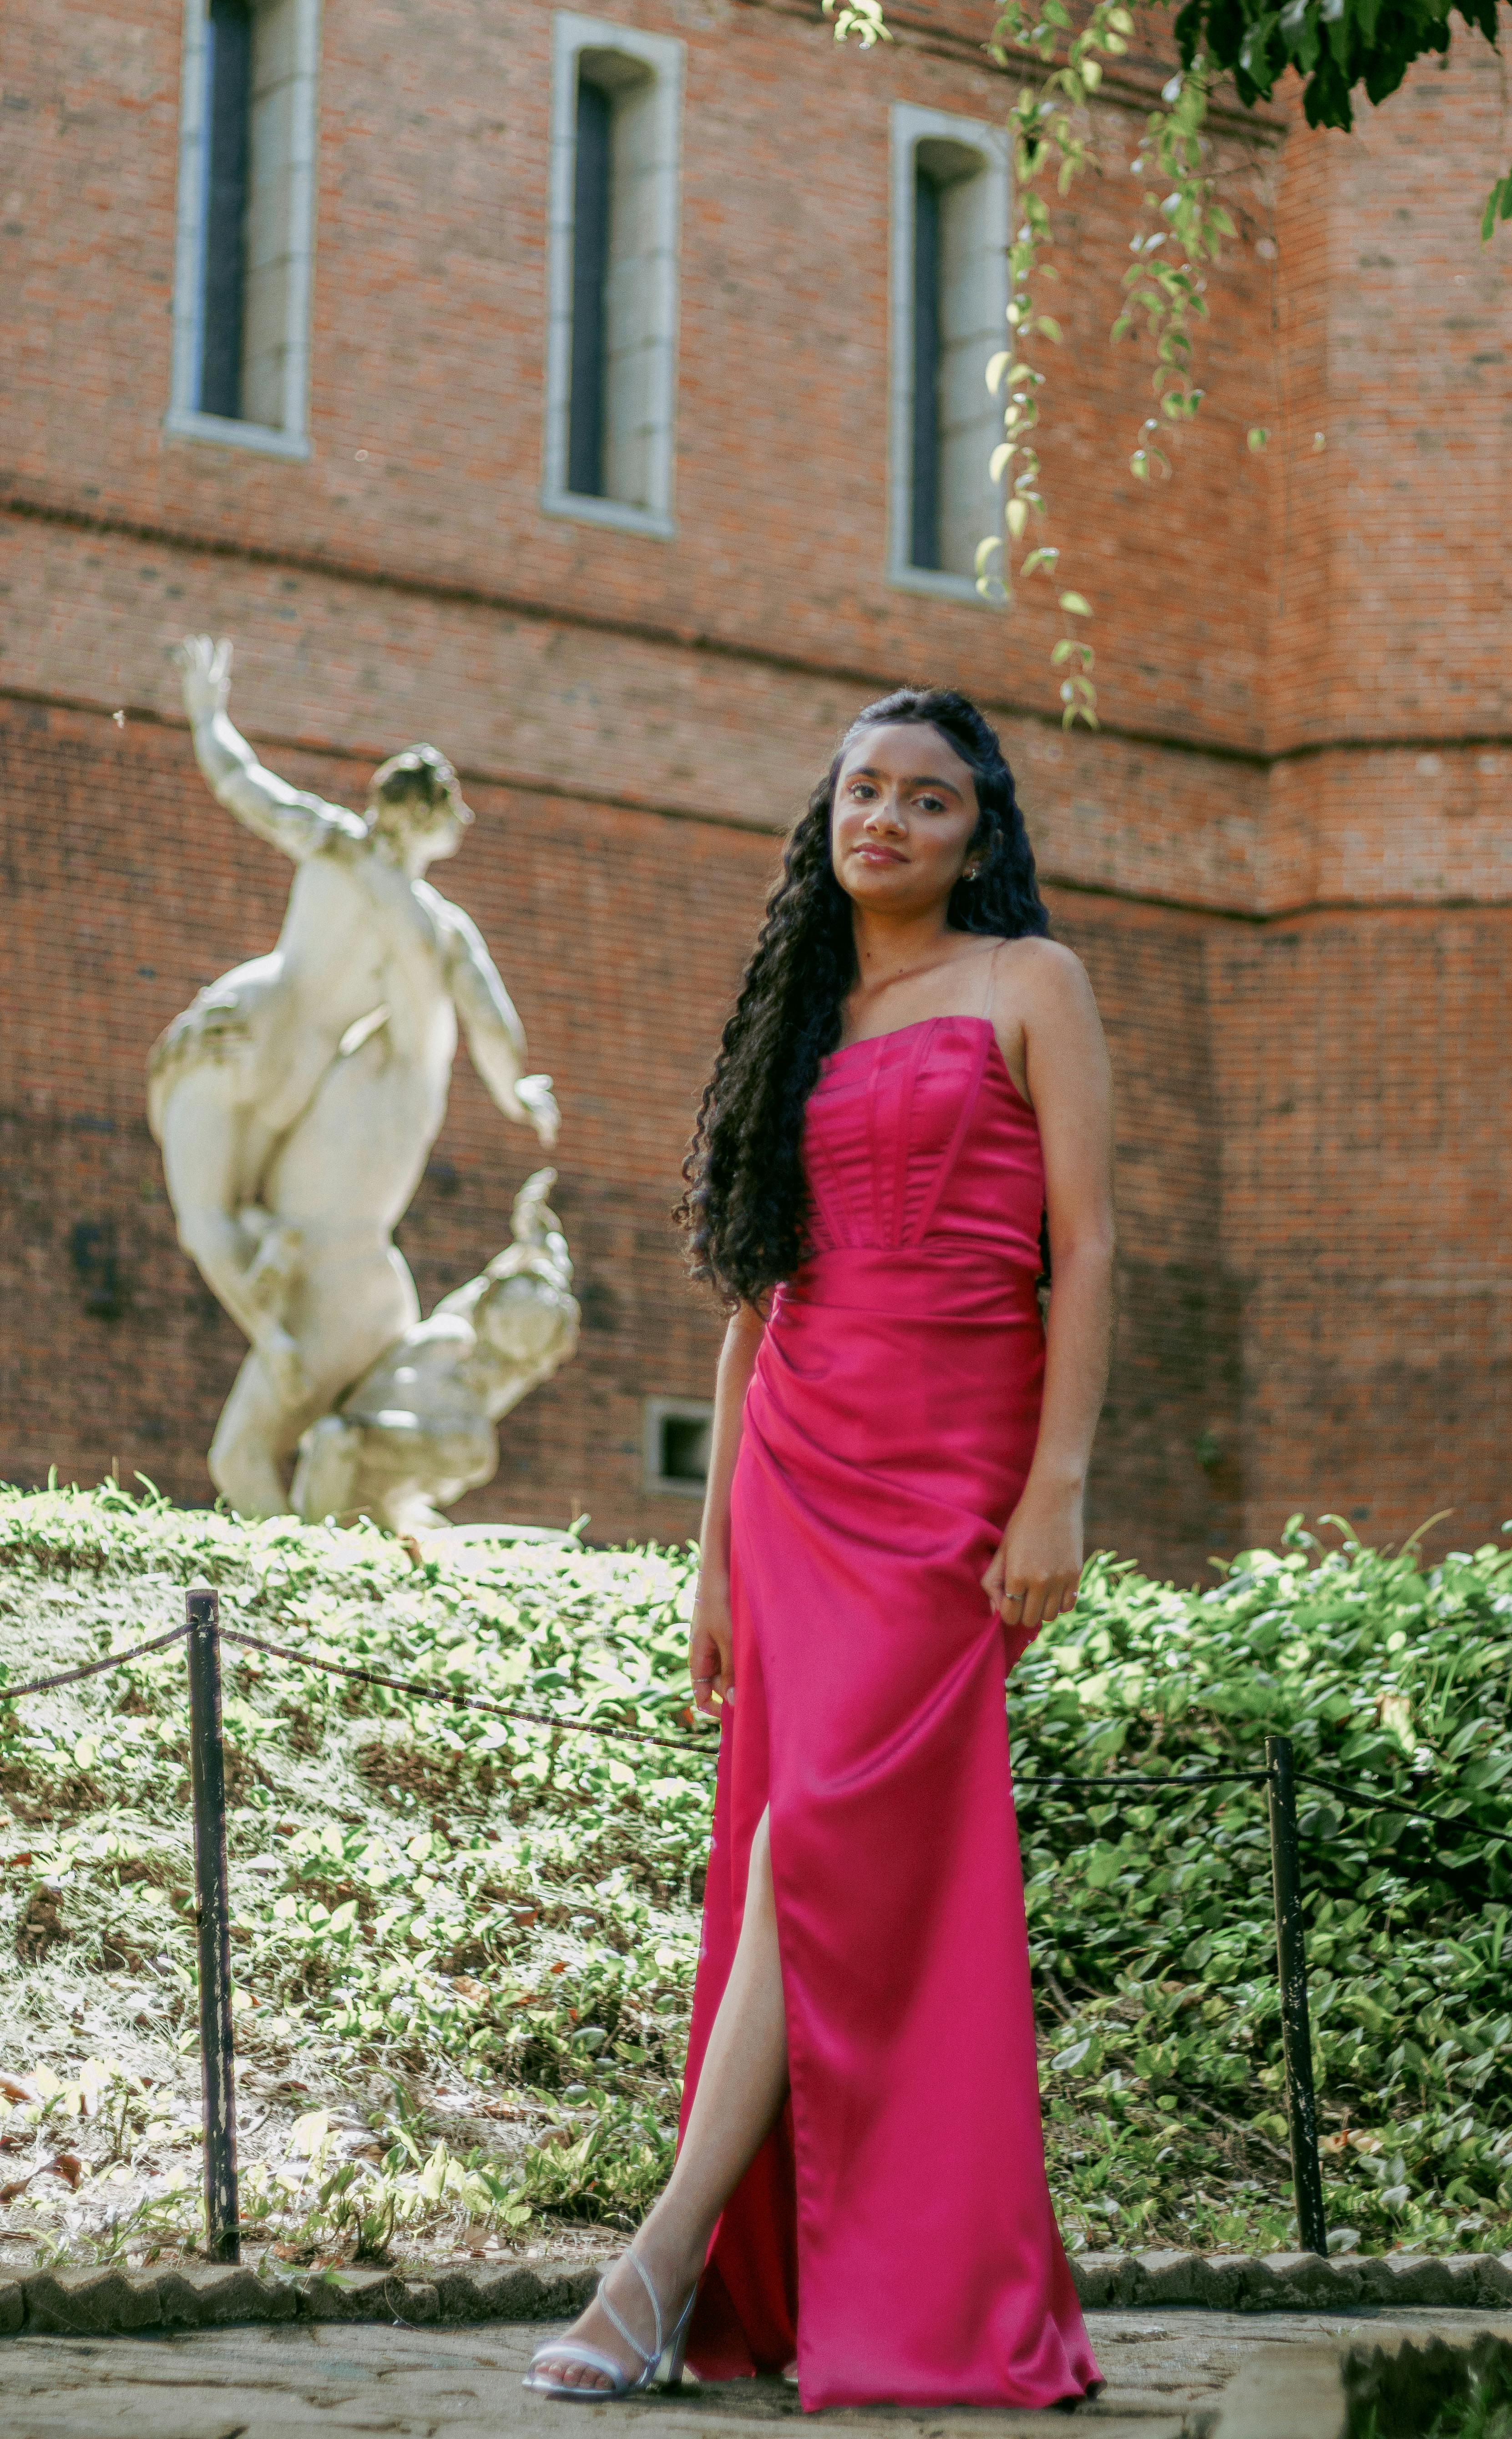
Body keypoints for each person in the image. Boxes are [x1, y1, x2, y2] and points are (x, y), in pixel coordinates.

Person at [526, 687, 1114, 2409]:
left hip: (952, 1478)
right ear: (831, 817)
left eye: (928, 801)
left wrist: (1057, 1483)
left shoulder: (1034, 987)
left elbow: (1086, 1249)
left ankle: (662, 2261)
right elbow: (758, 1291)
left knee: (832, 1831)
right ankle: (753, 2271)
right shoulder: (805, 1008)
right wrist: (710, 1548)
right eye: (865, 791)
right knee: (801, 1842)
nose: (889, 821)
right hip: (794, 1466)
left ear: (978, 833)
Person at [148, 636, 558, 1517]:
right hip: (258, 1032)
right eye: (456, 812)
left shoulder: (435, 920)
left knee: (223, 1229)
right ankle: (272, 1330)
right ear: (425, 813)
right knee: (207, 1223)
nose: (466, 828)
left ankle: (285, 1350)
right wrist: (208, 713)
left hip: (310, 1067)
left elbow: (487, 1013)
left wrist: (513, 1087)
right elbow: (246, 786)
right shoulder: (341, 849)